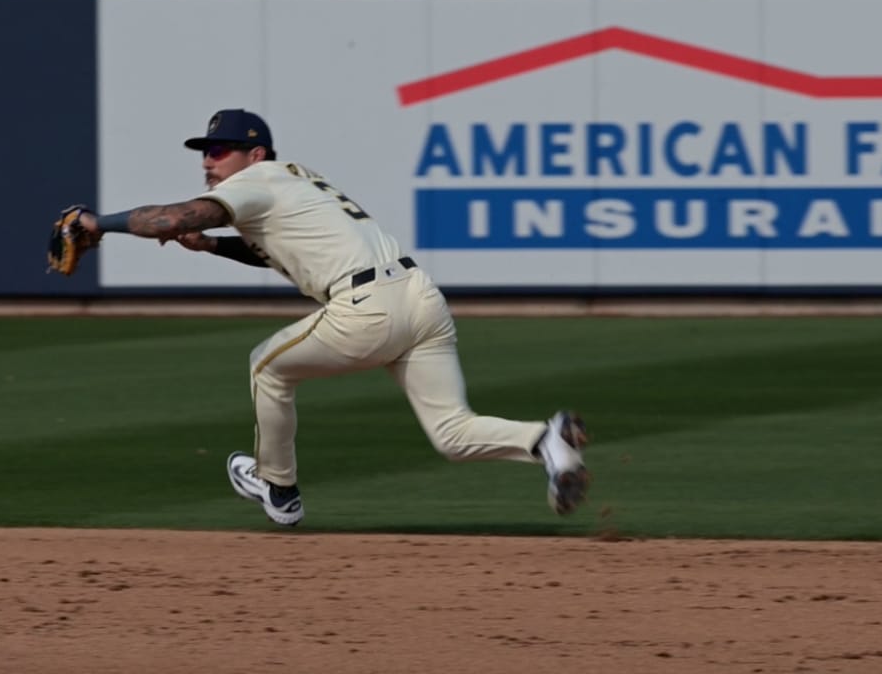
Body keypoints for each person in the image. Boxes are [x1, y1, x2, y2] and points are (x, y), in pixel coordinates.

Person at [75, 109, 589, 526]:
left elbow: (173, 217)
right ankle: (547, 441)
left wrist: (100, 223)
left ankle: (278, 485)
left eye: (218, 151)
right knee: (453, 434)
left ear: (255, 154)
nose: (208, 161)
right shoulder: (294, 182)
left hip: (368, 307)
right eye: (204, 152)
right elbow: (274, 251)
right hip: (420, 297)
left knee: (266, 367)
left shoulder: (253, 181)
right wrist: (211, 246)